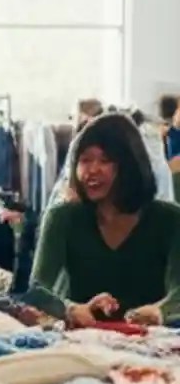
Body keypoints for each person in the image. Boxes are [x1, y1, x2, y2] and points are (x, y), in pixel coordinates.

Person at [32, 111, 180, 328]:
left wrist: (160, 311)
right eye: (84, 161)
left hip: (148, 343)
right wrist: (70, 309)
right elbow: (37, 290)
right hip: (78, 343)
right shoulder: (62, 217)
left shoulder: (170, 220)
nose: (92, 170)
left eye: (105, 160)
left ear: (130, 164)